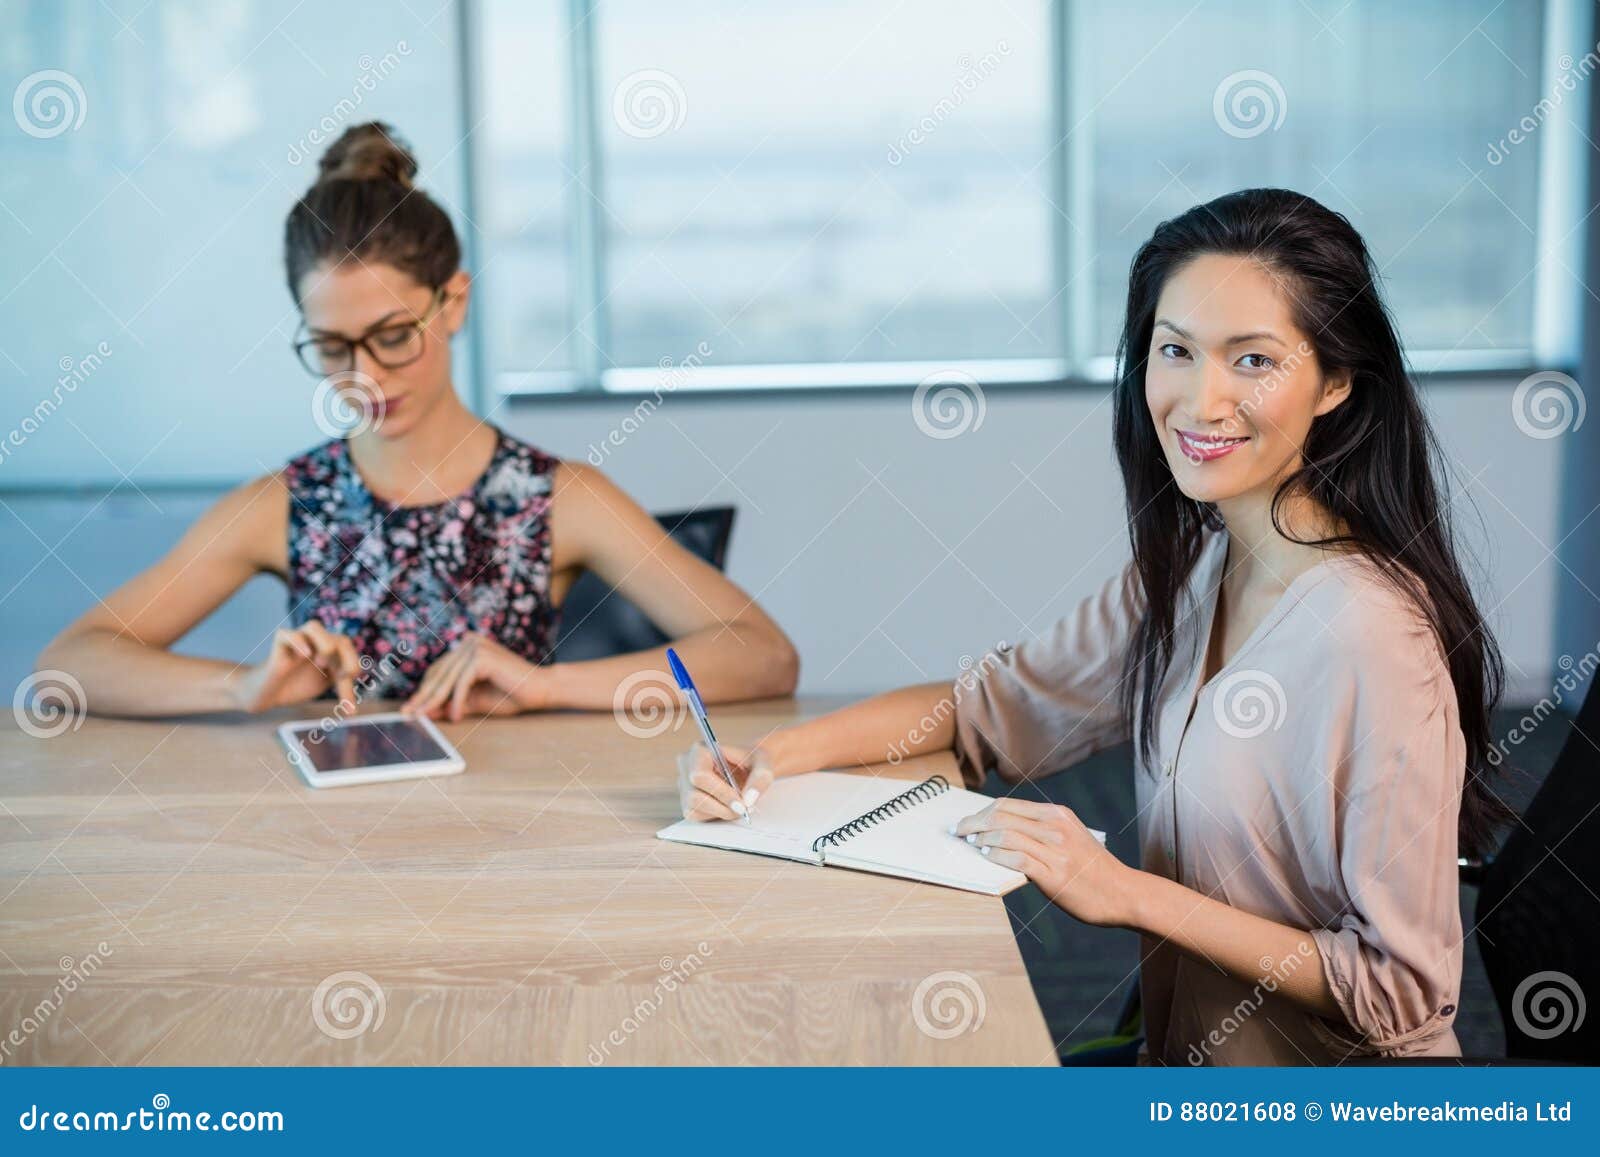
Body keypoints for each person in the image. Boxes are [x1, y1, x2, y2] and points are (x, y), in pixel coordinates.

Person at [676, 188, 1507, 1065]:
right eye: (1175, 350)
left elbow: (1402, 990)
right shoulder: (1196, 569)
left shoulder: (1374, 636)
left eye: (1253, 360)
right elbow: (985, 708)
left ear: (1337, 381)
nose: (1200, 397)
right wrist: (773, 760)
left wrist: (1125, 891)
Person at [38, 122, 798, 721]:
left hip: (511, 844)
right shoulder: (286, 503)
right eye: (333, 347)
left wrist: (543, 686)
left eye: (393, 335)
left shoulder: (559, 497)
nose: (364, 377)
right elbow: (69, 665)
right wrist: (241, 689)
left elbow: (763, 655)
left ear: (454, 303)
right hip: (330, 854)